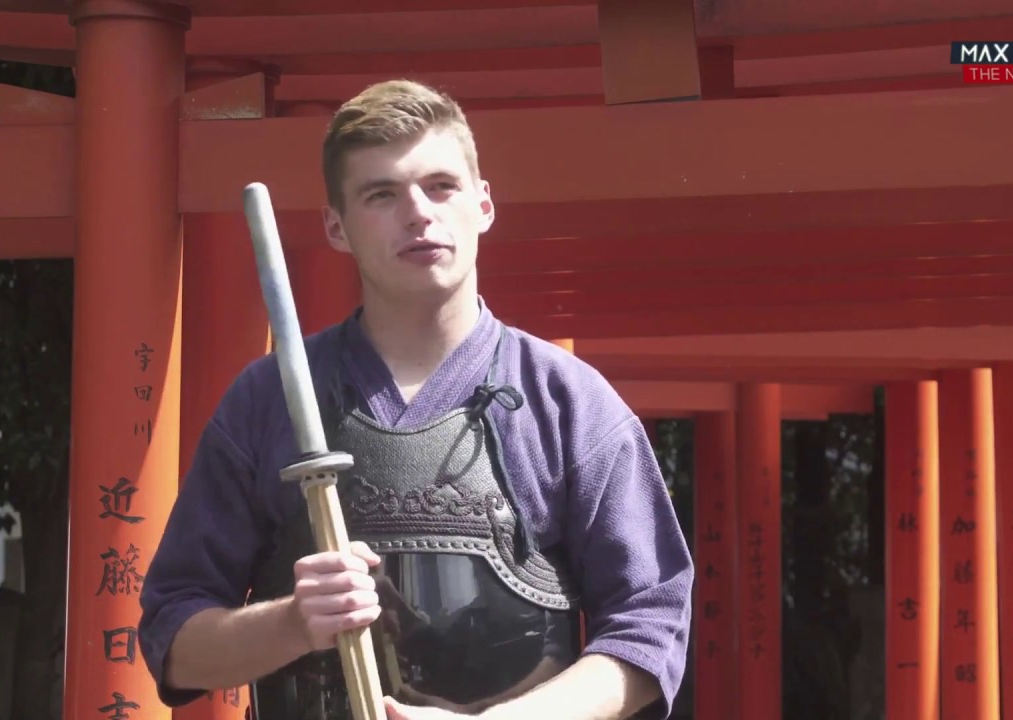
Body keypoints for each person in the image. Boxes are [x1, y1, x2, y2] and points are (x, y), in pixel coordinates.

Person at [137, 79, 694, 720]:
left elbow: (650, 626)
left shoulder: (567, 401)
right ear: (336, 227)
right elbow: (170, 642)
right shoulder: (267, 400)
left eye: (440, 186)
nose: (417, 213)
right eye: (381, 195)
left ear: (483, 203)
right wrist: (293, 622)